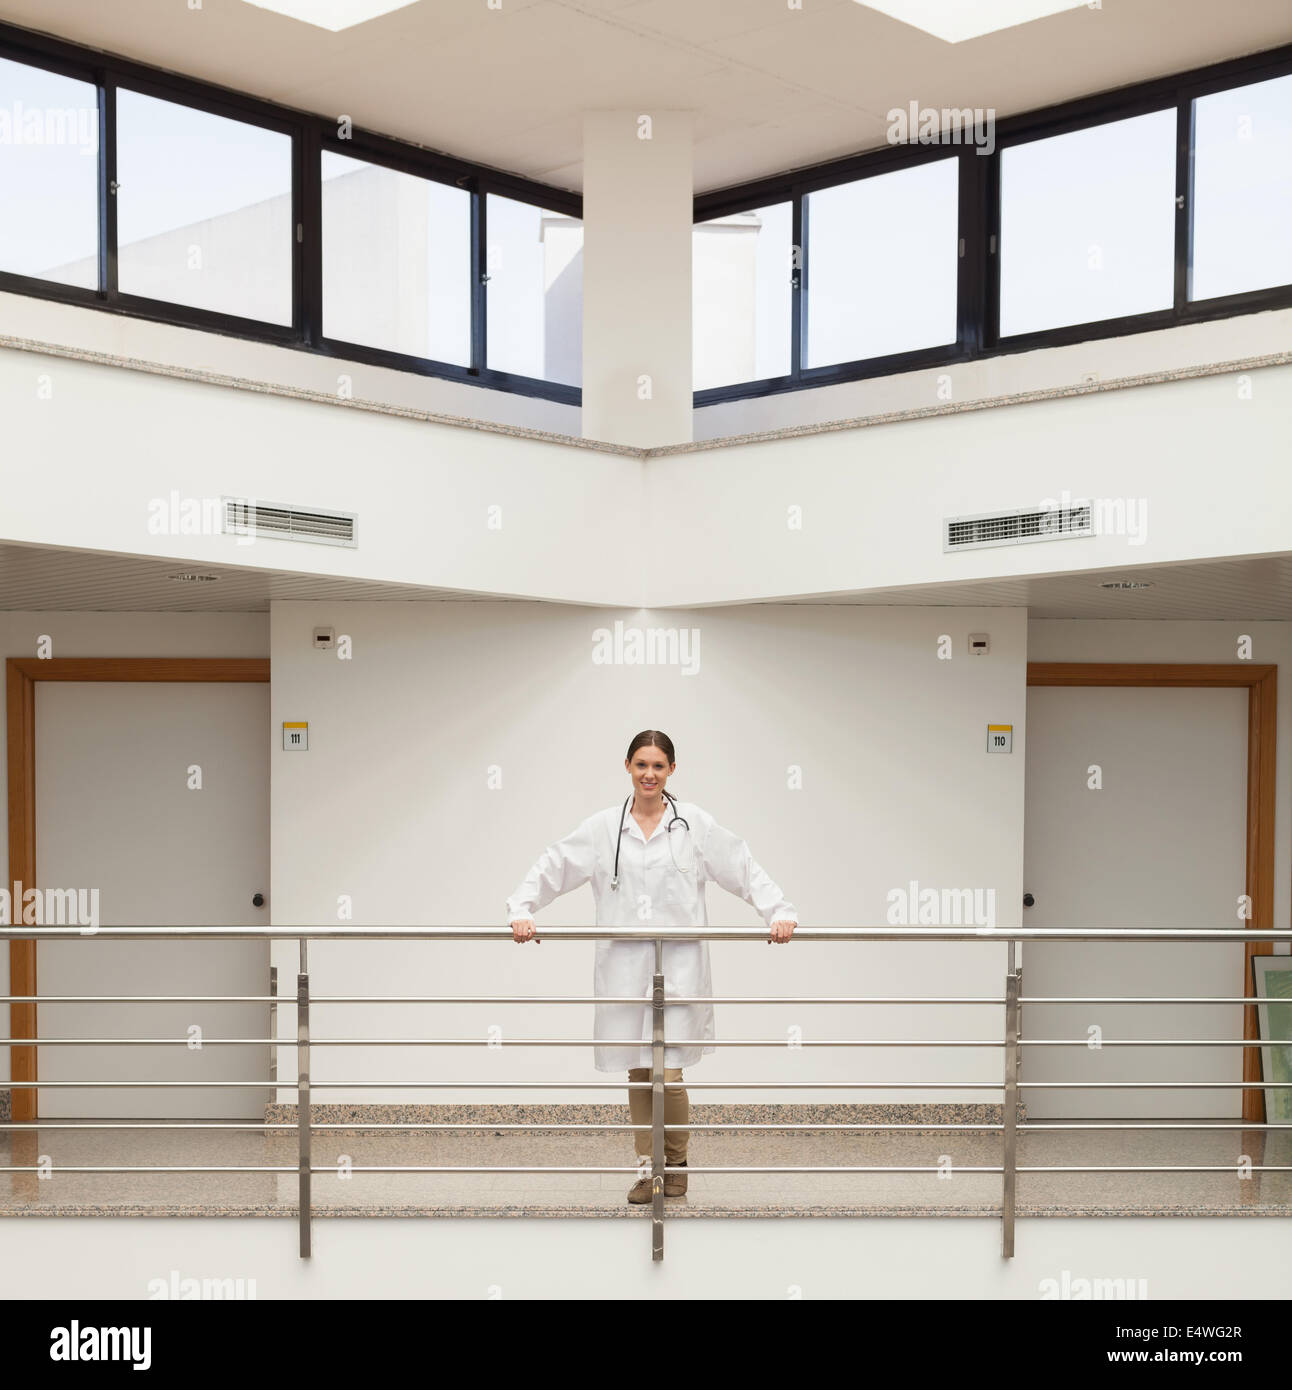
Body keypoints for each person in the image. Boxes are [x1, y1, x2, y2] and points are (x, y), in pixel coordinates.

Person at [507, 729, 797, 1205]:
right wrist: (523, 909)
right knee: (640, 1072)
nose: (649, 774)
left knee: (671, 1070)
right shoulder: (603, 828)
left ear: (671, 771)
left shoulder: (693, 826)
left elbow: (741, 867)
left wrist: (778, 912)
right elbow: (554, 865)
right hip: (624, 967)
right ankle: (649, 1171)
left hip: (678, 967)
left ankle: (676, 1167)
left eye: (658, 766)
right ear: (628, 767)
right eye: (641, 765)